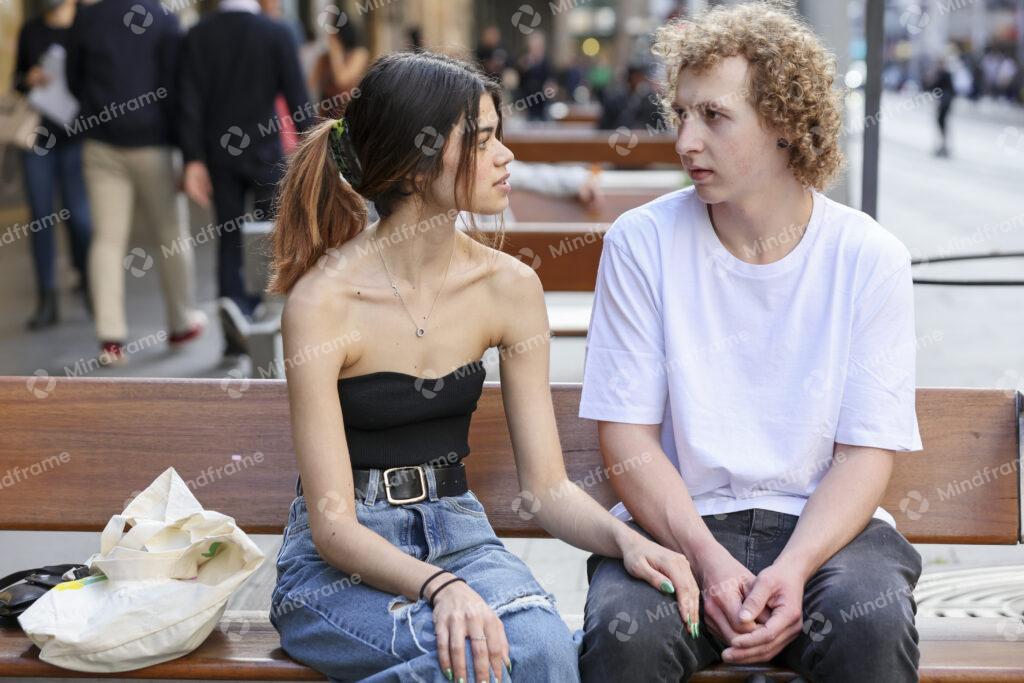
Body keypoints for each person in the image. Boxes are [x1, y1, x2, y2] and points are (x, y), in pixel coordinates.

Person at [266, 51, 698, 683]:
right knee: (483, 660)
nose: (506, 156)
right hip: (338, 565)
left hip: (460, 532)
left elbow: (547, 489)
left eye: (500, 135)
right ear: (415, 163)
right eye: (482, 139)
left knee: (543, 653)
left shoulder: (509, 287)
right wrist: (440, 589)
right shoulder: (322, 303)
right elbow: (332, 525)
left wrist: (627, 541)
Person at [577, 4, 923, 682]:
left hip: (826, 533)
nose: (685, 141)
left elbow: (864, 453)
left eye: (714, 116)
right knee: (627, 641)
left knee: (870, 623)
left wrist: (792, 568)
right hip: (682, 526)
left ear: (785, 126)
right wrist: (707, 561)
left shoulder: (868, 255)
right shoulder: (641, 243)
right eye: (680, 114)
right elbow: (628, 442)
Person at [66, 0, 204, 365]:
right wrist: (190, 154)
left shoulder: (88, 18)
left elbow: (72, 78)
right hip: (155, 145)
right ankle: (180, 323)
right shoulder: (164, 20)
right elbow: (179, 90)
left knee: (107, 240)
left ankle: (110, 341)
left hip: (101, 144)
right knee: (171, 235)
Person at [178, 0, 312, 357]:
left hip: (219, 156)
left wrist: (192, 159)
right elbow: (298, 98)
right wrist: (316, 151)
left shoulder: (197, 35)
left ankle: (233, 317)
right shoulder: (276, 32)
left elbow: (187, 101)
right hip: (265, 153)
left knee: (227, 235)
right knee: (269, 233)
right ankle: (269, 320)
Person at [14, 0, 92, 330]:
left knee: (81, 219)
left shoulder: (87, 26)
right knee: (41, 220)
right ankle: (47, 298)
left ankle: (88, 281)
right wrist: (27, 78)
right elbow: (15, 80)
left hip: (78, 139)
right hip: (38, 141)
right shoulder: (31, 30)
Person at [310, 20, 369, 120]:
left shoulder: (359, 54)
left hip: (350, 113)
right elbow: (310, 85)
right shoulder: (324, 58)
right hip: (326, 116)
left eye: (331, 35)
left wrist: (336, 52)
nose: (328, 39)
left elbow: (341, 80)